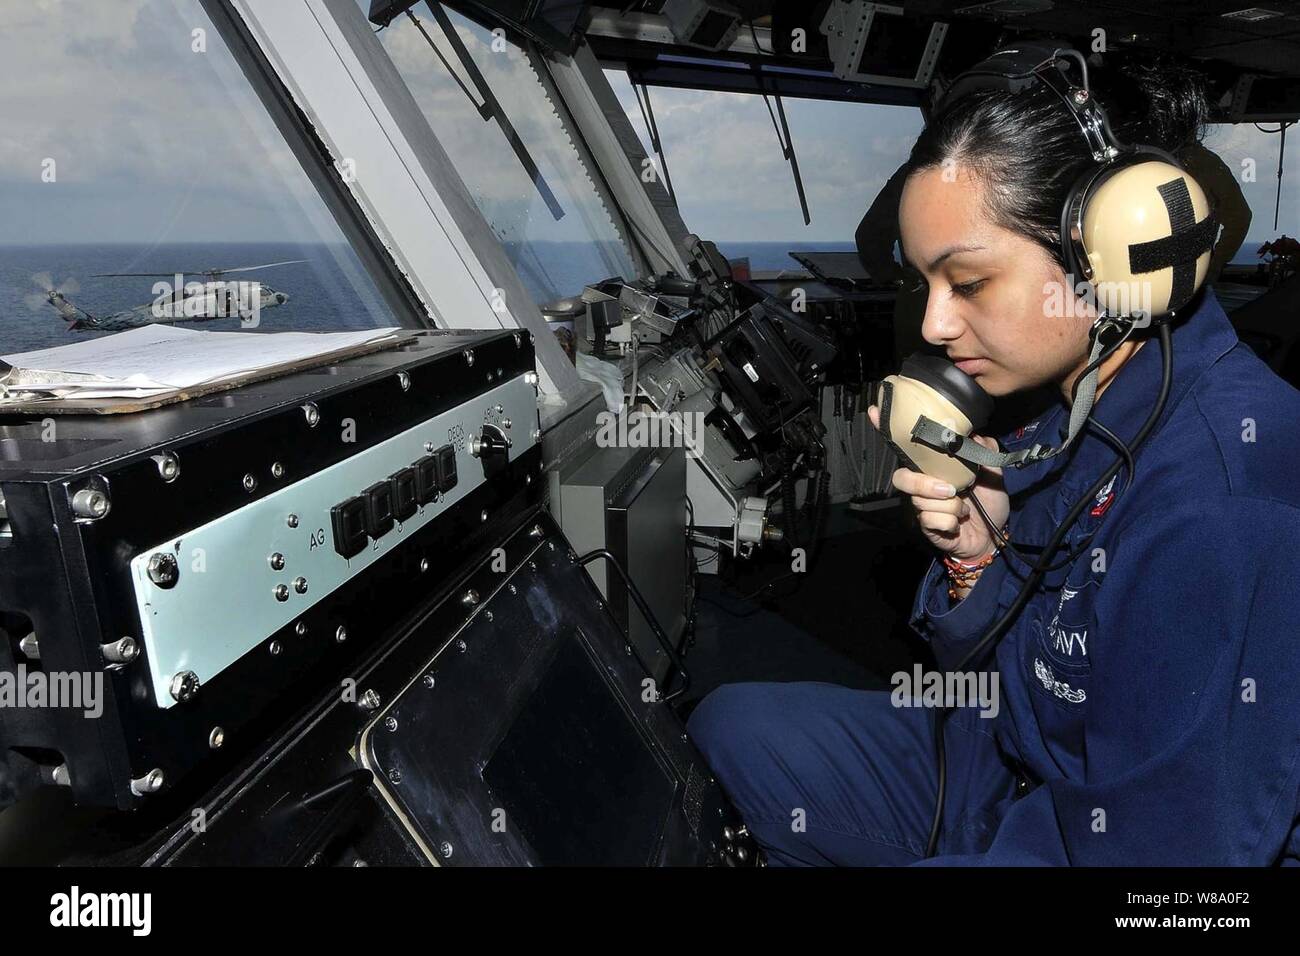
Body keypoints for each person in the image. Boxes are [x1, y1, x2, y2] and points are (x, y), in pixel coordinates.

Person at [686, 48, 1300, 865]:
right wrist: (977, 562)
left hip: (1097, 839)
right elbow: (1012, 674)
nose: (935, 327)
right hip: (1001, 763)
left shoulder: (1226, 506)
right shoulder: (1069, 404)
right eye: (926, 285)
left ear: (1110, 260)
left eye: (967, 283)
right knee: (729, 725)